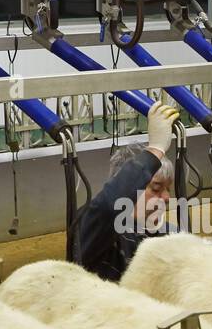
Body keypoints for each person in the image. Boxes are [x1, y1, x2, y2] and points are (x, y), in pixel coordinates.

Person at [74, 102, 179, 280]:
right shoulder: (96, 233)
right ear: (129, 187)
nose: (167, 197)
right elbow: (108, 207)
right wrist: (155, 151)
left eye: (167, 189)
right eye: (156, 188)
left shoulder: (169, 235)